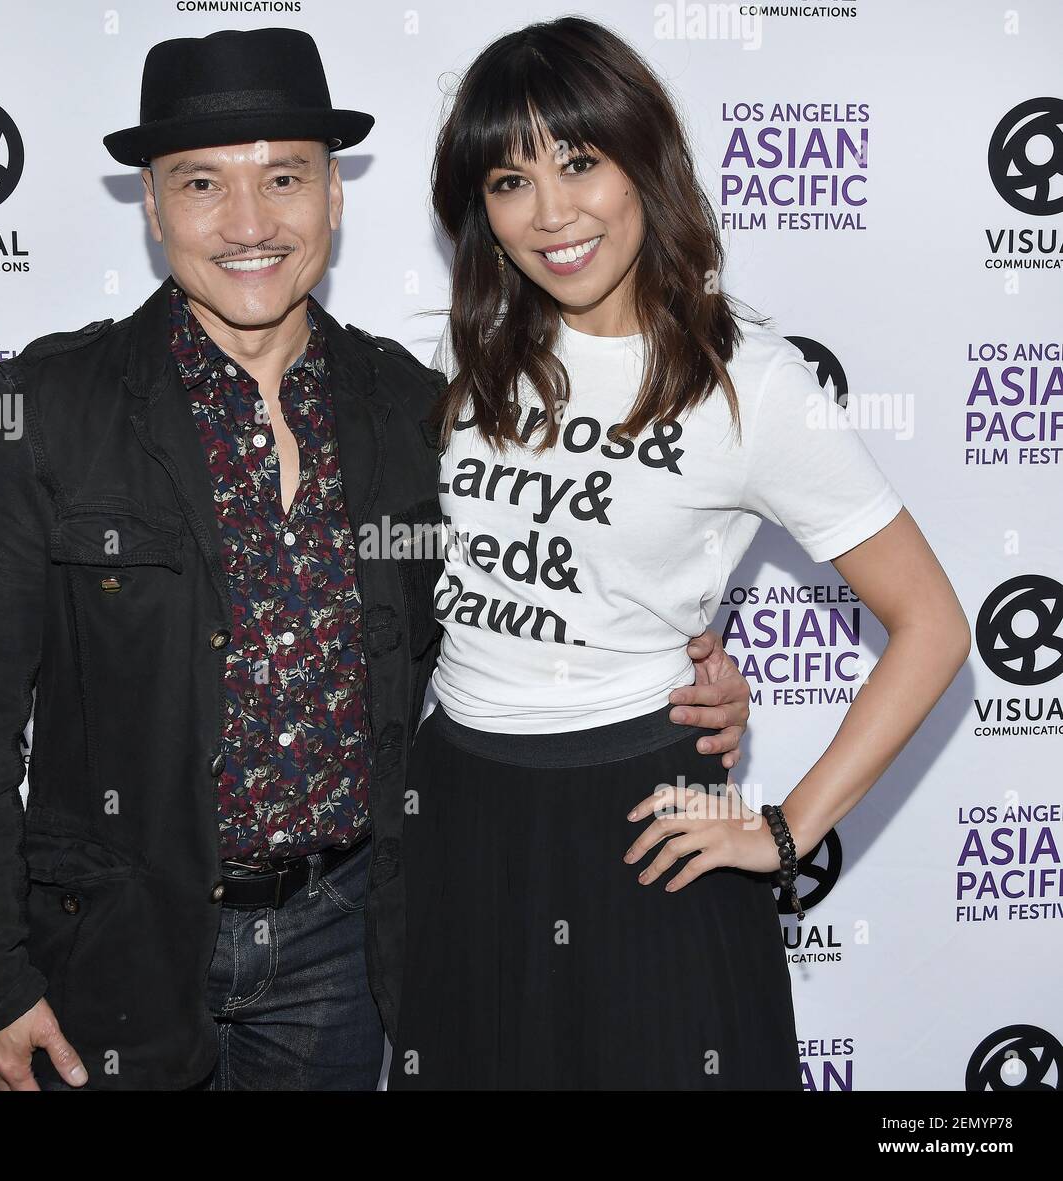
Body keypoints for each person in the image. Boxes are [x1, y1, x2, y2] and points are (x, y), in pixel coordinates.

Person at [0, 27, 751, 1092]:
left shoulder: (413, 408)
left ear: (333, 201)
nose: (250, 223)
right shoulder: (46, 410)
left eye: (285, 178)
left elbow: (502, 630)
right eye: (203, 182)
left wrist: (677, 676)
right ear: (153, 206)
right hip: (114, 945)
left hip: (347, 951)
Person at [388, 16, 971, 1090]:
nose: (550, 212)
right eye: (509, 180)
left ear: (641, 161)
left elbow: (933, 626)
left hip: (643, 821)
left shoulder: (750, 383)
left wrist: (788, 831)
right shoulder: (468, 353)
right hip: (461, 810)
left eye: (577, 161)